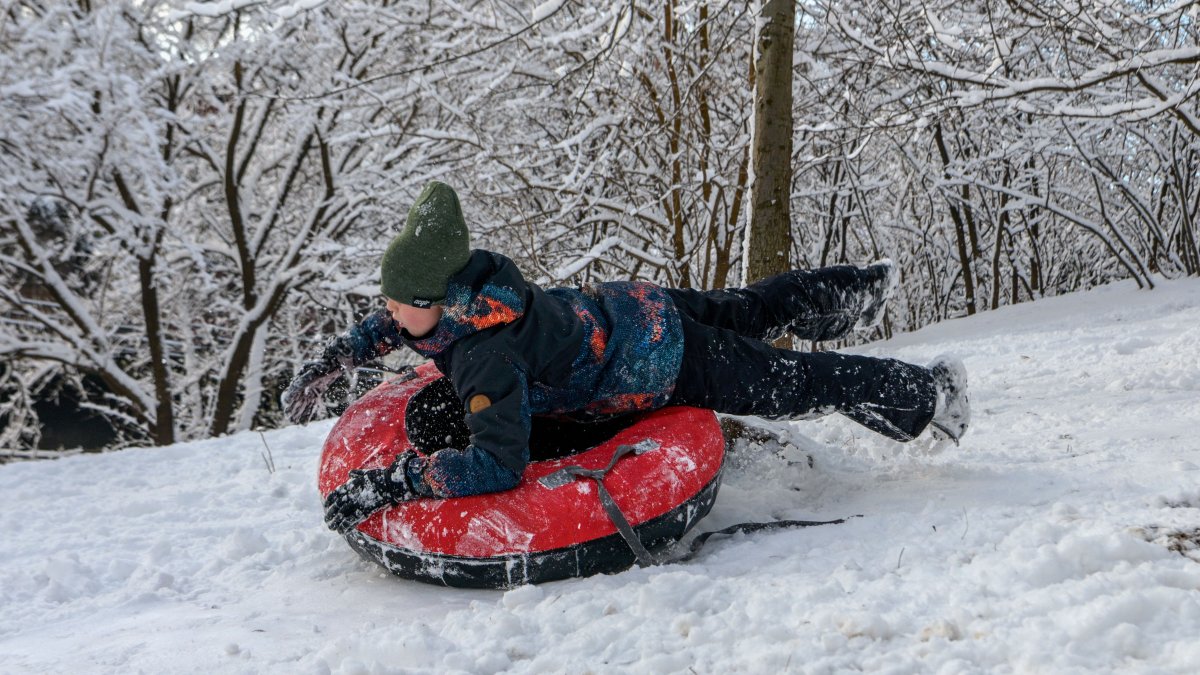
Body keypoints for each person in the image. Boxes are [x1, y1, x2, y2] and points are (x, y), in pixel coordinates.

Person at [283, 181, 970, 533]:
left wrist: (396, 482)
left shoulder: (485, 360)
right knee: (747, 307)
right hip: (631, 305)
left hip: (659, 358)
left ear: (434, 297)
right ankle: (859, 288)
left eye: (399, 301)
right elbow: (396, 324)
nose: (389, 312)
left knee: (788, 382)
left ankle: (929, 394)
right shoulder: (470, 290)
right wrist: (339, 356)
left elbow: (498, 462)